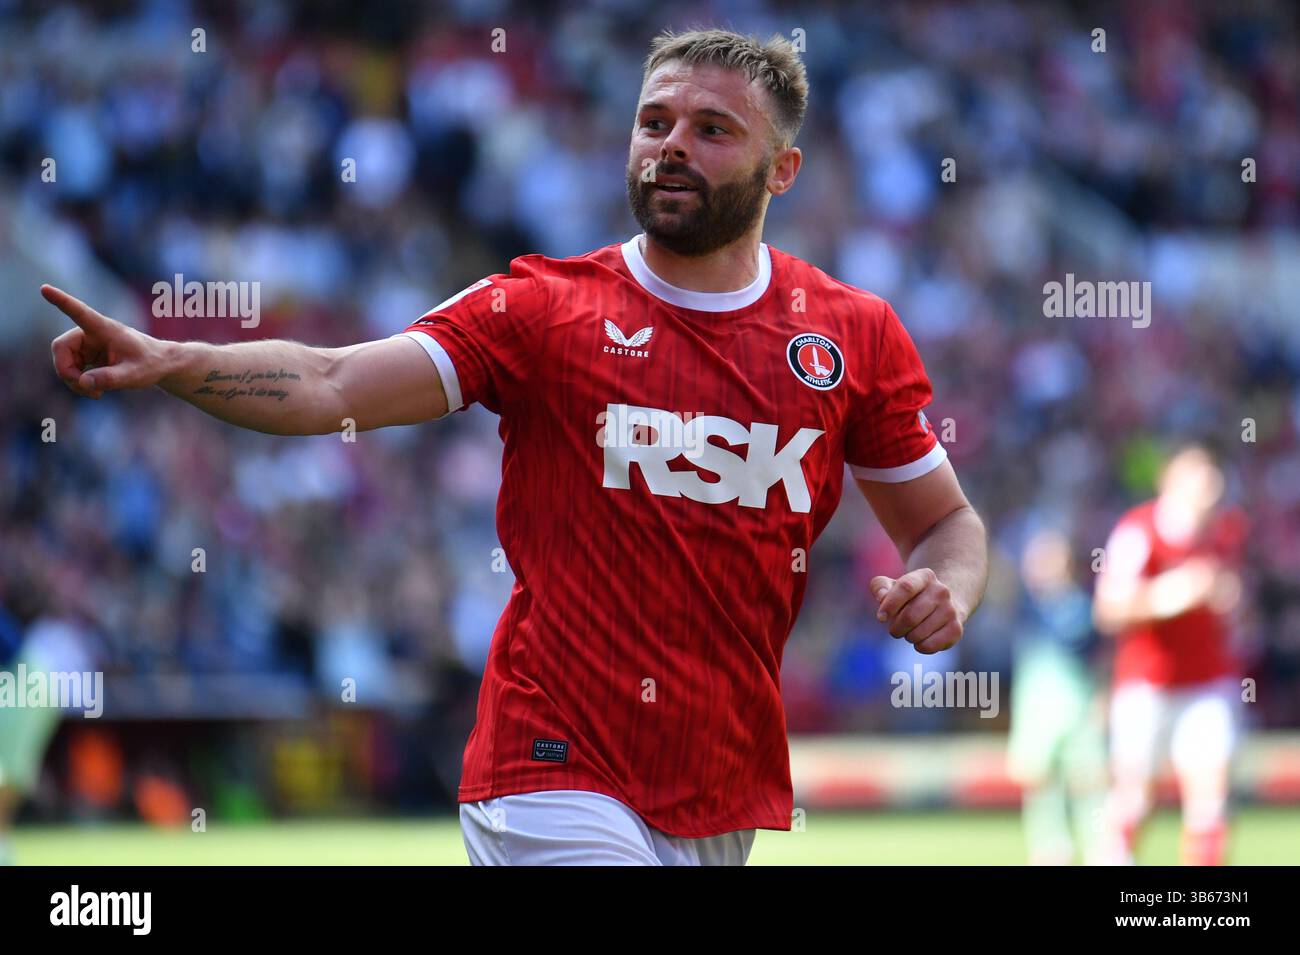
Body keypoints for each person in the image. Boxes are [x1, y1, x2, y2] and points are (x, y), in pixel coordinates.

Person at [42, 28, 988, 865]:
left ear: (781, 171)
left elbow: (944, 519)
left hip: (715, 784)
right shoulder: (544, 307)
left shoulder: (849, 336)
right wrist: (174, 358)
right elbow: (330, 384)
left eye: (711, 130)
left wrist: (948, 584)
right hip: (550, 764)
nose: (671, 147)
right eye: (654, 121)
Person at [1094, 442, 1247, 865]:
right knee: (1133, 802)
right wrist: (1173, 595)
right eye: (1197, 475)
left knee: (1210, 801)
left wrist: (1231, 603)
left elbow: (1239, 605)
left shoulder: (1229, 530)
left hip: (1207, 684)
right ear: (1170, 479)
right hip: (1147, 686)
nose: (1209, 486)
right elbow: (1109, 609)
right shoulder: (1138, 530)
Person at [1006, 528, 1107, 865]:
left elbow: (1102, 659)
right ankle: (1049, 847)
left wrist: (1104, 697)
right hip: (1036, 711)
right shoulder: (1024, 608)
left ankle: (1098, 845)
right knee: (1040, 783)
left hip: (1078, 706)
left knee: (1089, 781)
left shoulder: (1084, 607)